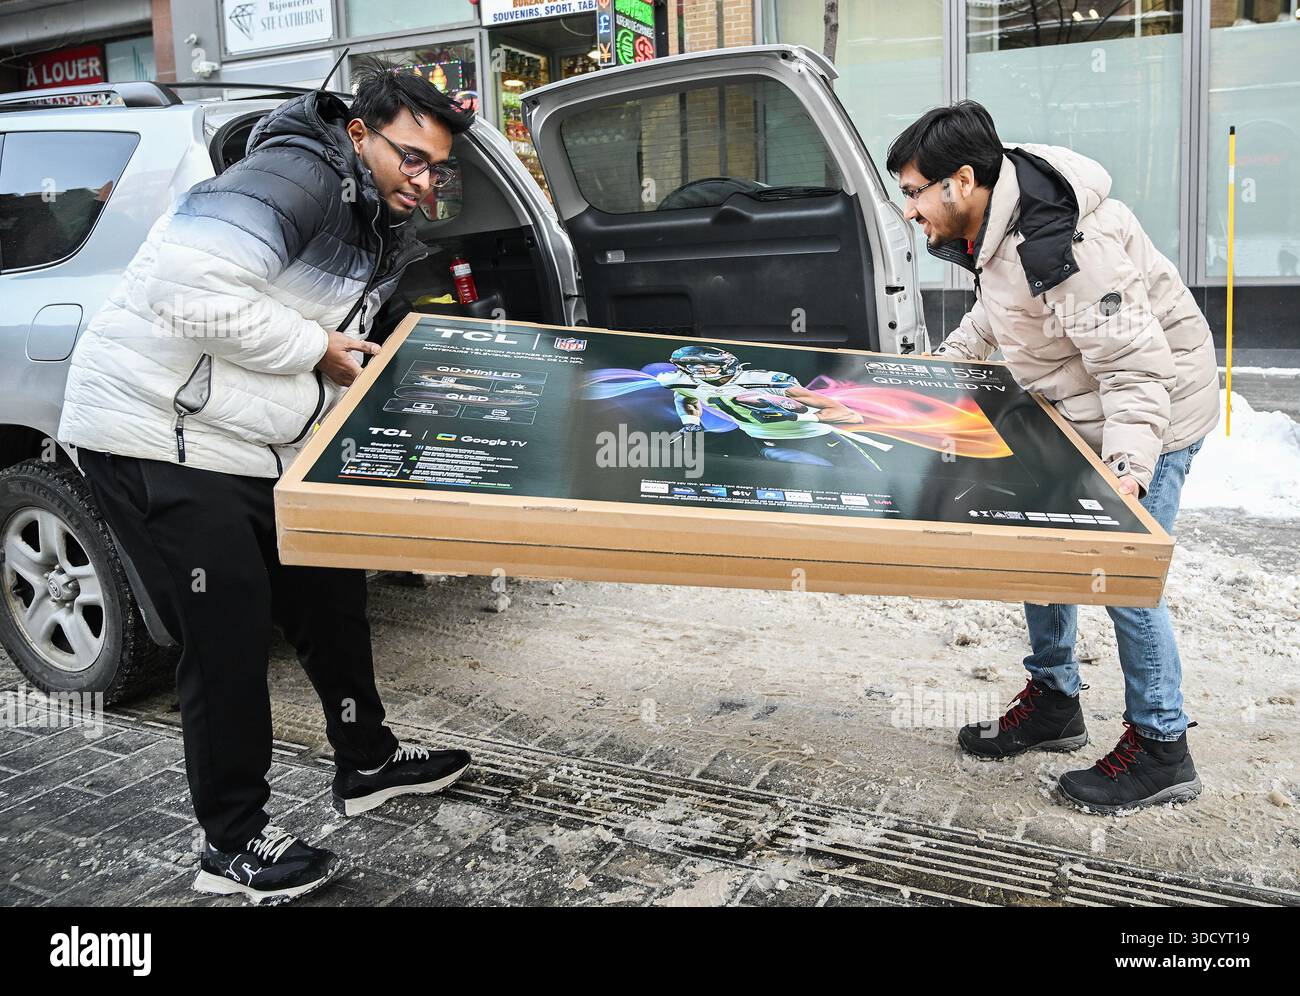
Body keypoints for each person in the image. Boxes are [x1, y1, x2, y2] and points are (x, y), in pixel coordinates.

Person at [58, 59, 475, 903]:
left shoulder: (371, 214)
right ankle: (234, 843)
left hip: (249, 440)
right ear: (359, 134)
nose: (425, 182)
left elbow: (315, 321)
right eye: (411, 159)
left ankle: (367, 761)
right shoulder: (295, 174)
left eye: (438, 168)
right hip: (155, 432)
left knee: (327, 588)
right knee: (228, 632)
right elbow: (188, 292)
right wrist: (314, 349)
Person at [885, 101, 1219, 814]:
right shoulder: (1004, 217)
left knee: (1124, 579)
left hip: (1150, 414)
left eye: (914, 192)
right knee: (1044, 550)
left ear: (962, 181)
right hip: (1078, 409)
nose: (909, 211)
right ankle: (1055, 703)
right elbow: (1004, 306)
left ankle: (1163, 748)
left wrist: (1130, 469)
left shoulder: (1065, 243)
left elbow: (1135, 367)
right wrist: (948, 365)